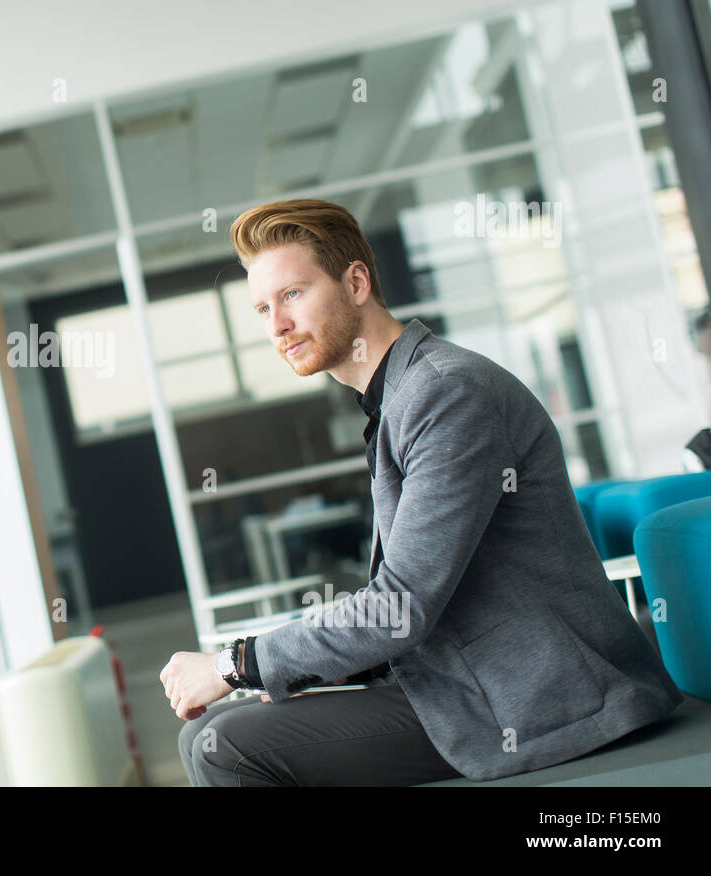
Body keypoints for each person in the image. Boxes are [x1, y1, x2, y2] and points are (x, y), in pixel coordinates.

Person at [167, 198, 684, 786]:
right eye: (262, 307)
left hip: (534, 697)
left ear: (356, 281)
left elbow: (402, 603)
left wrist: (240, 664)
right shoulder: (399, 400)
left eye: (292, 295)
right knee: (205, 737)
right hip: (464, 679)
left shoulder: (446, 394)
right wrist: (304, 673)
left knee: (222, 745)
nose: (276, 326)